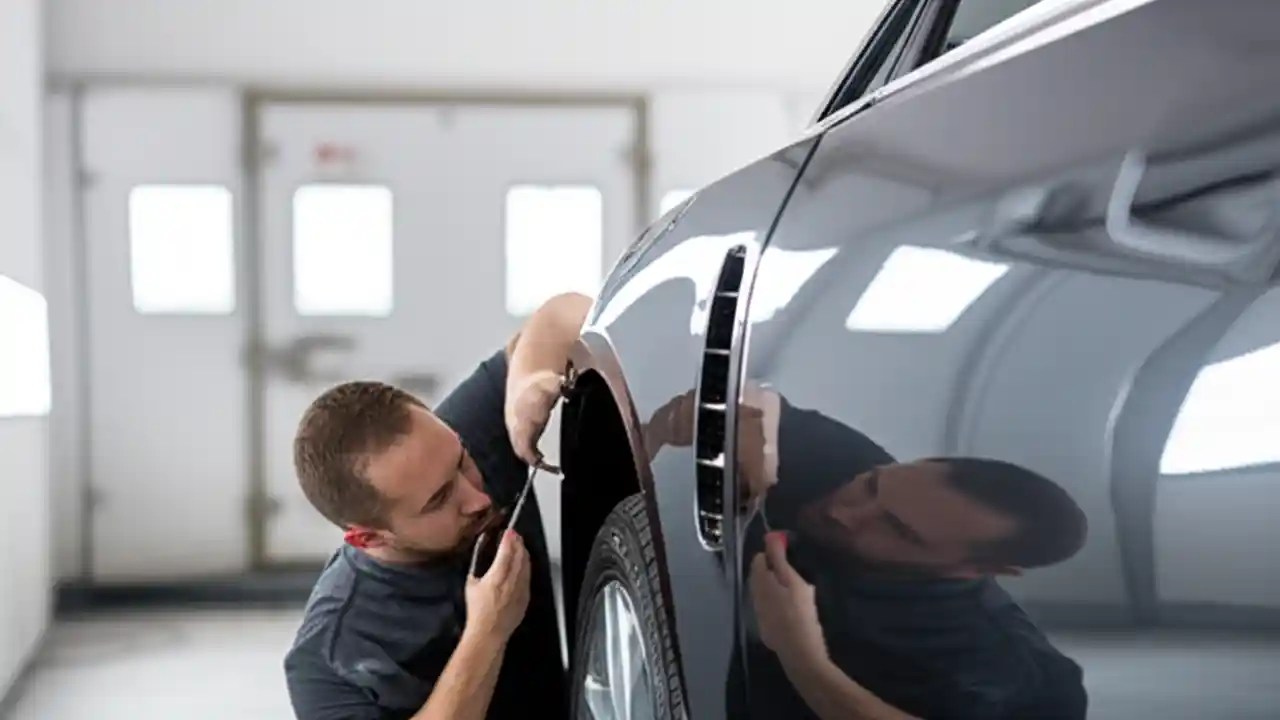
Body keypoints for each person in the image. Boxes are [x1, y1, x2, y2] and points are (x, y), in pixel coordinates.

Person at [646, 386, 1090, 719]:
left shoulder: (1008, 670)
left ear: (980, 568)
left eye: (895, 529)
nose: (846, 511)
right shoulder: (867, 476)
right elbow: (759, 402)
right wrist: (746, 426)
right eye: (872, 485)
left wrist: (801, 655)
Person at [283, 292, 593, 720]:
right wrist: (488, 631)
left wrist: (526, 381)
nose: (478, 497)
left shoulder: (441, 447)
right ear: (368, 537)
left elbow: (563, 314)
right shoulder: (330, 659)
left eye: (463, 460)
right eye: (439, 500)